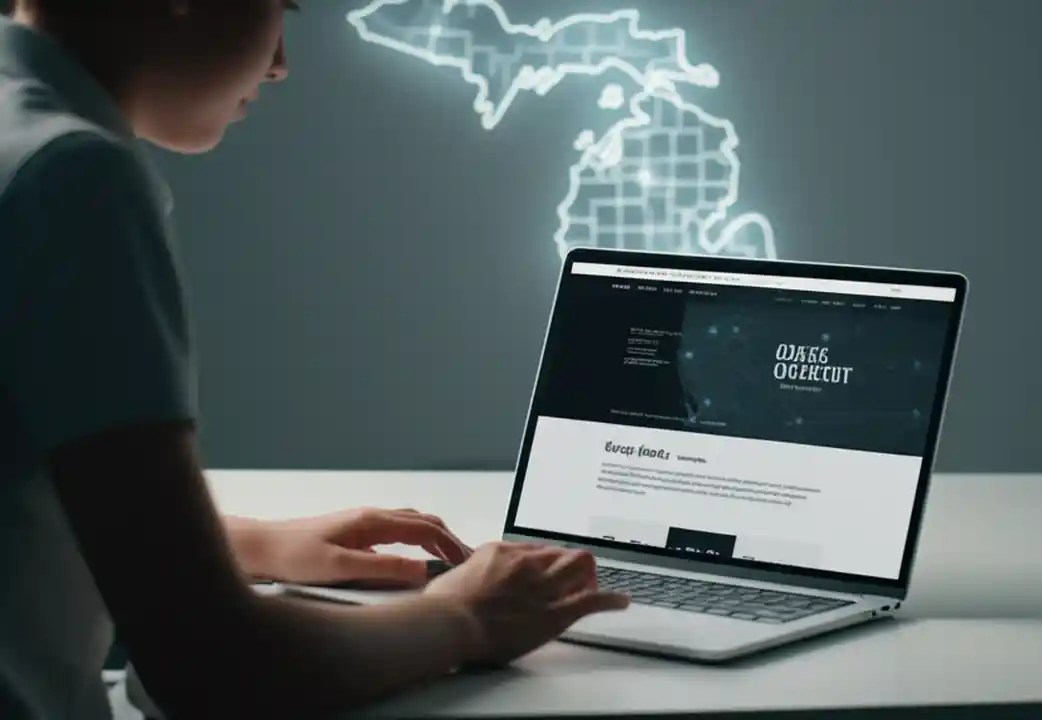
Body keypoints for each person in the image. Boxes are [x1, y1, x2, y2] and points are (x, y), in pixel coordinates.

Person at [0, 1, 629, 717]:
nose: (280, 64)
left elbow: (34, 505)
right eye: (279, 8)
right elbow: (209, 663)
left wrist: (250, 545)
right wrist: (469, 615)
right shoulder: (73, 180)